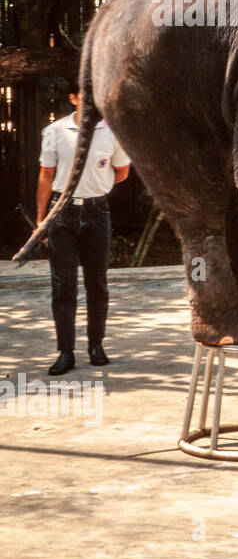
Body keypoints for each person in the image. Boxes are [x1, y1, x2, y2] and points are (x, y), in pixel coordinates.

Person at [36, 89, 131, 376]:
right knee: (63, 286)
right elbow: (46, 175)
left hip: (96, 213)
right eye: (83, 96)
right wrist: (41, 221)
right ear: (73, 98)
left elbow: (122, 171)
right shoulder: (55, 131)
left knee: (97, 284)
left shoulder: (112, 132)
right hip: (61, 213)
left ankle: (96, 346)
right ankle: (66, 352)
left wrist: (97, 189)